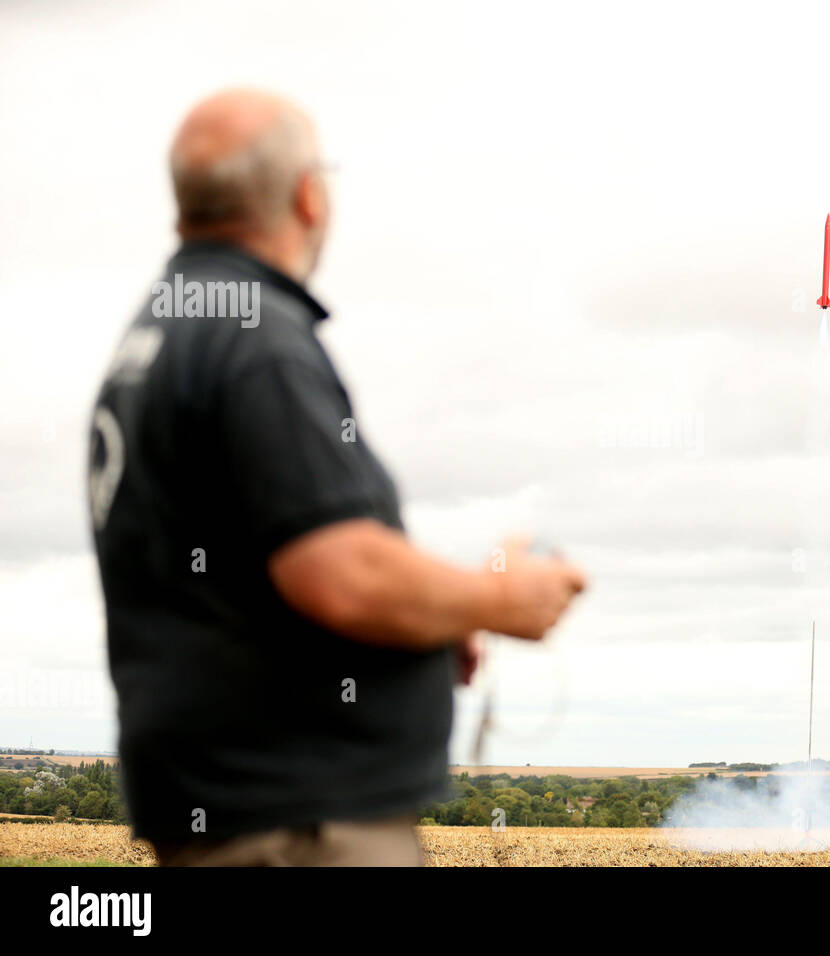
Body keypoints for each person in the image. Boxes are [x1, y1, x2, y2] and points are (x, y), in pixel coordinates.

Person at [87, 89, 585, 866]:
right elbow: (340, 575)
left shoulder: (165, 329)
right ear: (308, 195)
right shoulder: (257, 339)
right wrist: (497, 597)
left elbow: (256, 573)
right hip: (299, 827)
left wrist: (433, 621)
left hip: (229, 807)